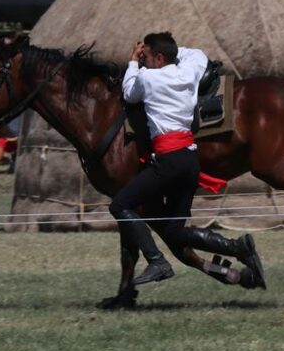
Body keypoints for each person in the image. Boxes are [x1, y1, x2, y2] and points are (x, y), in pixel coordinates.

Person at [110, 32, 262, 286]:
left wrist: (133, 61)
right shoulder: (190, 71)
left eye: (148, 57)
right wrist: (166, 50)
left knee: (120, 205)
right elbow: (197, 55)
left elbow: (128, 93)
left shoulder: (147, 78)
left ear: (159, 58)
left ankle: (156, 261)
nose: (146, 61)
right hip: (190, 161)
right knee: (175, 231)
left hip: (167, 161)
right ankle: (238, 247)